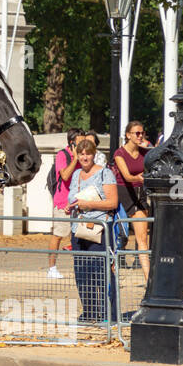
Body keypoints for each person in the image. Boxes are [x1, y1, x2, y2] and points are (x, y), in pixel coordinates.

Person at [67, 137, 118, 324]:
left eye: (88, 154)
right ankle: (89, 312)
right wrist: (70, 207)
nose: (84, 157)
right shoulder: (76, 174)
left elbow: (112, 203)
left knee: (102, 271)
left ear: (94, 155)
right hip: (78, 228)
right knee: (82, 271)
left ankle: (108, 314)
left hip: (100, 227)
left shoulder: (105, 174)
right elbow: (73, 198)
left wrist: (89, 204)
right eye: (81, 154)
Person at [113, 119, 151, 279]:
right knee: (116, 236)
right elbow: (127, 177)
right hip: (123, 192)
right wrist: (140, 177)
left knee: (142, 238)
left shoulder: (146, 153)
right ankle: (111, 272)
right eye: (137, 133)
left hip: (140, 194)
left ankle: (148, 279)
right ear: (128, 135)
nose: (140, 136)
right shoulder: (119, 153)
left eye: (142, 133)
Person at [45, 128, 81, 278]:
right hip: (63, 202)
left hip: (79, 202)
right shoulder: (62, 155)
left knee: (81, 235)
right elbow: (65, 176)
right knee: (59, 234)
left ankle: (81, 267)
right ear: (72, 143)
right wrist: (75, 159)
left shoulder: (85, 156)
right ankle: (52, 268)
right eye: (80, 142)